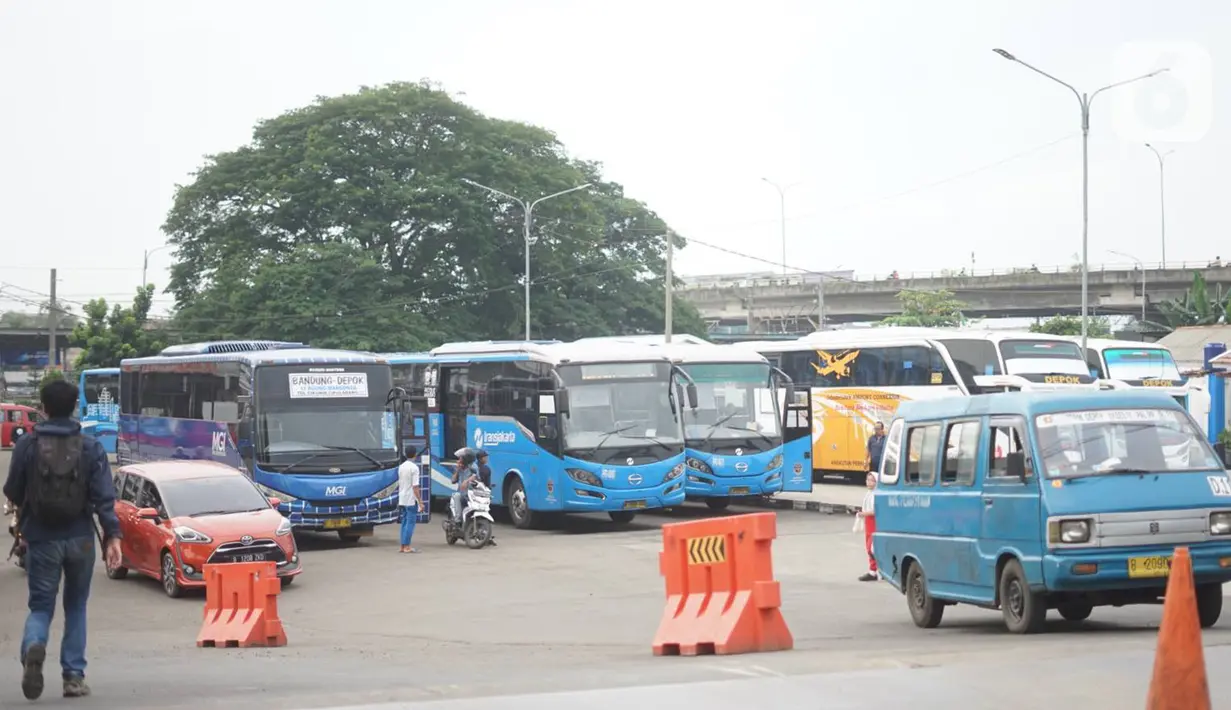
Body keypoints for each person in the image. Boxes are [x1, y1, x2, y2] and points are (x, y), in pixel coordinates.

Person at [3, 379, 122, 700]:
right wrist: (112, 536)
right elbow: (104, 498)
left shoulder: (28, 445)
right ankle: (73, 677)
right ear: (74, 407)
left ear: (43, 408)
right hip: (81, 538)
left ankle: (34, 647)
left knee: (41, 606)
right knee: (76, 605)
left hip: (41, 538)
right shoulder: (90, 446)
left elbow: (11, 490)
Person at [397, 445, 421, 554]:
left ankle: (402, 546)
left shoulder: (401, 467)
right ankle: (407, 546)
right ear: (415, 454)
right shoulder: (414, 468)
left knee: (404, 522)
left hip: (402, 498)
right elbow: (415, 487)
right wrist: (420, 502)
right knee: (410, 523)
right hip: (411, 499)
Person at [854, 471, 878, 582]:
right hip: (868, 522)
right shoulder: (869, 493)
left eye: (871, 480)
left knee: (871, 548)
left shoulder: (876, 494)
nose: (868, 482)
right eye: (867, 479)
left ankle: (876, 570)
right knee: (868, 546)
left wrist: (863, 514)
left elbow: (875, 511)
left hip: (874, 522)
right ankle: (873, 570)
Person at [450, 448, 479, 525]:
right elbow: (453, 480)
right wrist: (457, 470)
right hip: (463, 496)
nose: (458, 460)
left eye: (460, 458)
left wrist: (466, 481)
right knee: (456, 495)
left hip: (472, 496)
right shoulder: (460, 469)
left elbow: (475, 476)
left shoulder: (473, 467)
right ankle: (457, 519)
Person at [475, 449, 497, 547]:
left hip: (473, 494)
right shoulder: (486, 469)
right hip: (483, 495)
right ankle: (486, 535)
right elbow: (487, 484)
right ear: (481, 459)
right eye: (485, 457)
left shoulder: (473, 467)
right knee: (485, 511)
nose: (486, 458)